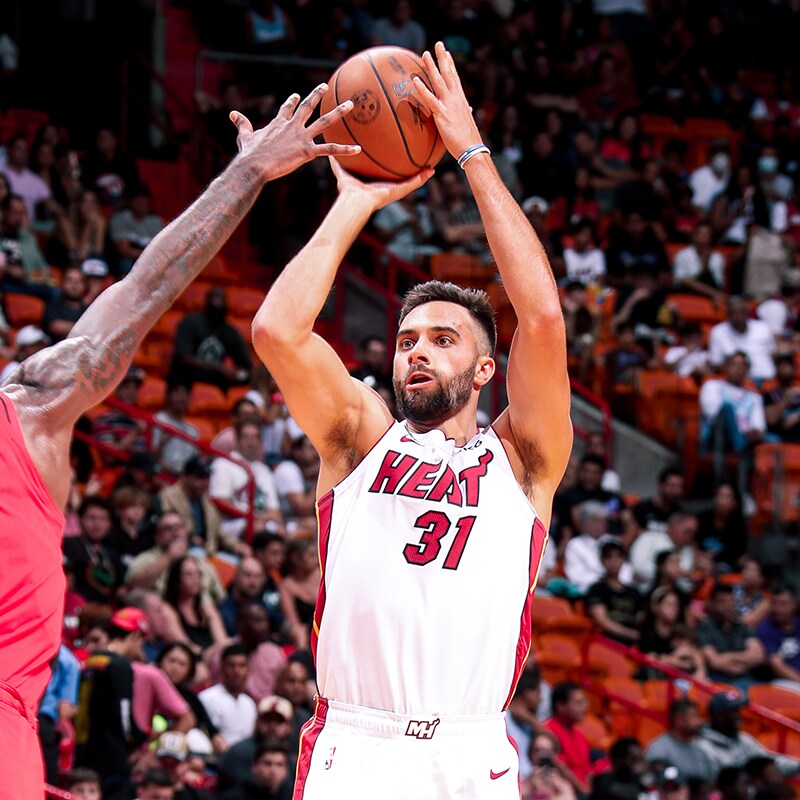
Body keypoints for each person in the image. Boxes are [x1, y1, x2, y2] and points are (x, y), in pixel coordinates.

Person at [0, 82, 359, 798]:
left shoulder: (29, 410)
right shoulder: (32, 409)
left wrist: (249, 172)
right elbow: (139, 291)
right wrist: (248, 172)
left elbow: (141, 292)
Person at [250, 42, 573, 799]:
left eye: (442, 338)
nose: (416, 352)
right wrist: (355, 200)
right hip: (357, 744)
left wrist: (469, 150)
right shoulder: (361, 438)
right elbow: (277, 333)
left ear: (486, 369)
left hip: (470, 751)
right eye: (405, 340)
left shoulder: (523, 462)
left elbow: (544, 318)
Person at [74, 608, 151, 795]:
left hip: (85, 748)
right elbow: (122, 712)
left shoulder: (92, 661)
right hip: (111, 754)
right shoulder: (121, 666)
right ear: (135, 635)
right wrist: (137, 737)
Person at [697, 692, 800, 781]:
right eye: (733, 712)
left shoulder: (744, 739)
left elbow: (771, 762)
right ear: (718, 717)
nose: (739, 715)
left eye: (738, 710)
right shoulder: (704, 747)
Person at [169, 286, 254, 392]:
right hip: (186, 380)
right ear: (206, 300)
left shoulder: (230, 332)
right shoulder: (190, 322)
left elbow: (247, 367)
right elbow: (183, 358)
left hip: (215, 384)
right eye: (215, 297)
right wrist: (219, 368)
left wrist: (238, 375)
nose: (218, 301)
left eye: (221, 298)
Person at [696, 582, 766, 692]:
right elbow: (715, 662)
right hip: (718, 678)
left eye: (731, 601)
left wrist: (727, 657)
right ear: (712, 604)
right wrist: (744, 658)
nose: (728, 606)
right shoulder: (706, 626)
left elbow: (758, 656)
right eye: (722, 602)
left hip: (745, 678)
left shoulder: (741, 626)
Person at [198, 643, 258, 749]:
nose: (236, 671)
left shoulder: (249, 703)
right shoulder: (207, 698)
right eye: (231, 665)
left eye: (242, 665)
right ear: (222, 668)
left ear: (249, 669)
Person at [645, 699, 716, 784]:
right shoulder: (659, 748)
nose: (700, 721)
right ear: (679, 720)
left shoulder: (698, 748)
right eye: (694, 716)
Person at [544, 682, 593, 798]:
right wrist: (583, 789)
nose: (584, 707)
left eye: (584, 702)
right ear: (561, 706)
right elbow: (558, 764)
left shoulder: (580, 735)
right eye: (578, 703)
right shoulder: (548, 730)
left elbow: (587, 770)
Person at [755, 583, 800, 692]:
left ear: (795, 605)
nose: (777, 609)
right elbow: (777, 666)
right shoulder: (765, 629)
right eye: (774, 603)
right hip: (786, 681)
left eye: (783, 604)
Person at [220, 739, 294, 800]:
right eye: (267, 763)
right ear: (254, 766)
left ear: (286, 770)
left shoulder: (295, 797)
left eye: (279, 765)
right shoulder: (234, 797)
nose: (273, 771)